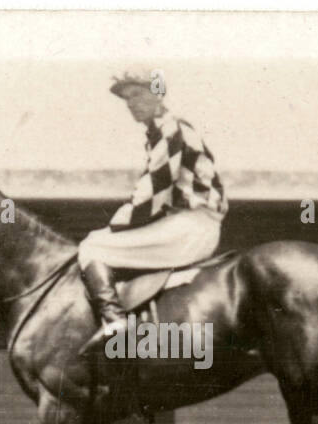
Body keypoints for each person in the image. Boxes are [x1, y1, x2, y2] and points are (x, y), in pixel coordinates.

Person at [77, 70, 229, 353]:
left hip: (191, 226)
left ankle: (114, 321)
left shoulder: (170, 128)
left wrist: (113, 226)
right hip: (192, 224)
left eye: (136, 94)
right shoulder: (167, 130)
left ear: (158, 93)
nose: (130, 104)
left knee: (93, 246)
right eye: (126, 99)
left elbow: (152, 196)